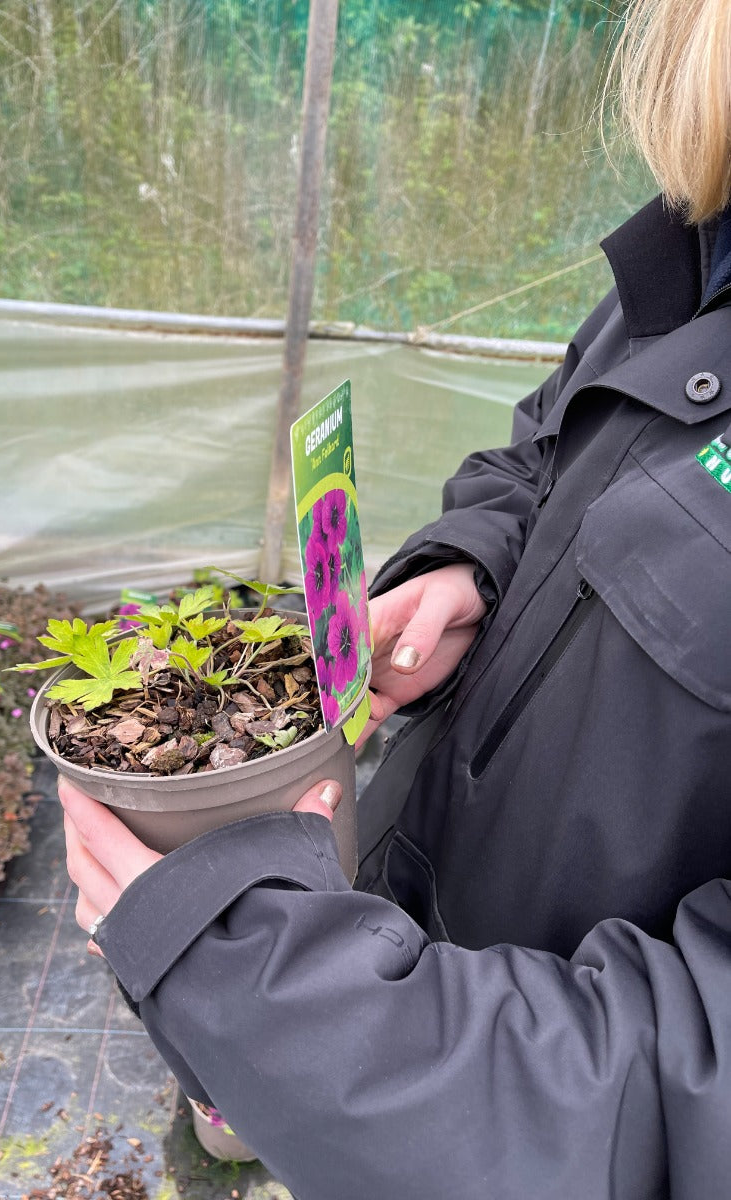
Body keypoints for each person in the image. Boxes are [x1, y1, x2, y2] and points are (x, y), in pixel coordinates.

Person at [59, 2, 731, 1195]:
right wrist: (469, 567)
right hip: (423, 902)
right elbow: (549, 451)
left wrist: (274, 991)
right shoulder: (704, 253)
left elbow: (696, 1097)